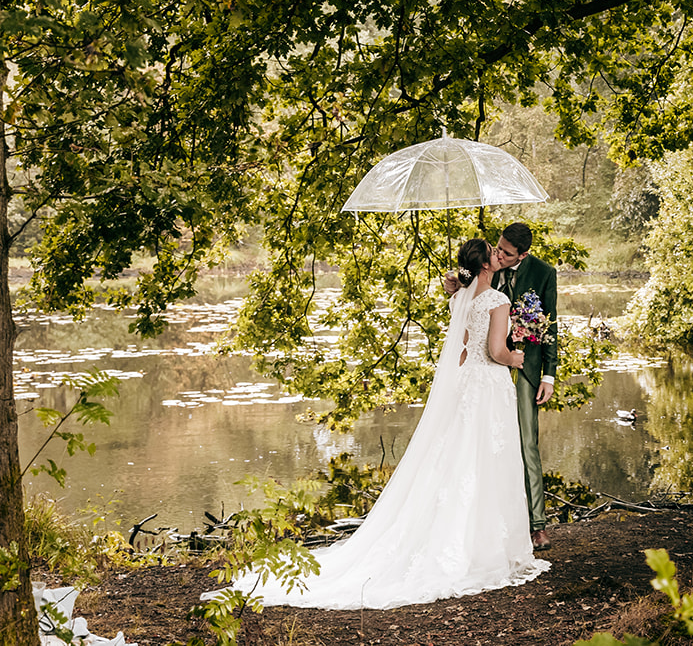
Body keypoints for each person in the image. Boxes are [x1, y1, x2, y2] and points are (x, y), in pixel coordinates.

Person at [210, 238, 549, 609]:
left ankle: (457, 537)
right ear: (485, 264)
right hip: (486, 388)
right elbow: (495, 352)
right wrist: (517, 358)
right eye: (494, 252)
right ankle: (483, 546)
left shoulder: (460, 299)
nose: (499, 256)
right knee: (484, 461)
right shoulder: (496, 301)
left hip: (466, 383)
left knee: (457, 459)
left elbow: (466, 348)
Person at [494, 222, 559, 551]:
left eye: (507, 252)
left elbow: (550, 326)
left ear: (524, 254)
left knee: (527, 444)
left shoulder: (544, 273)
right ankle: (495, 522)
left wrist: (549, 374)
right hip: (491, 364)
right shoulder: (487, 265)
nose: (500, 254)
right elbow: (463, 285)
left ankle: (537, 525)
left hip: (527, 367)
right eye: (499, 247)